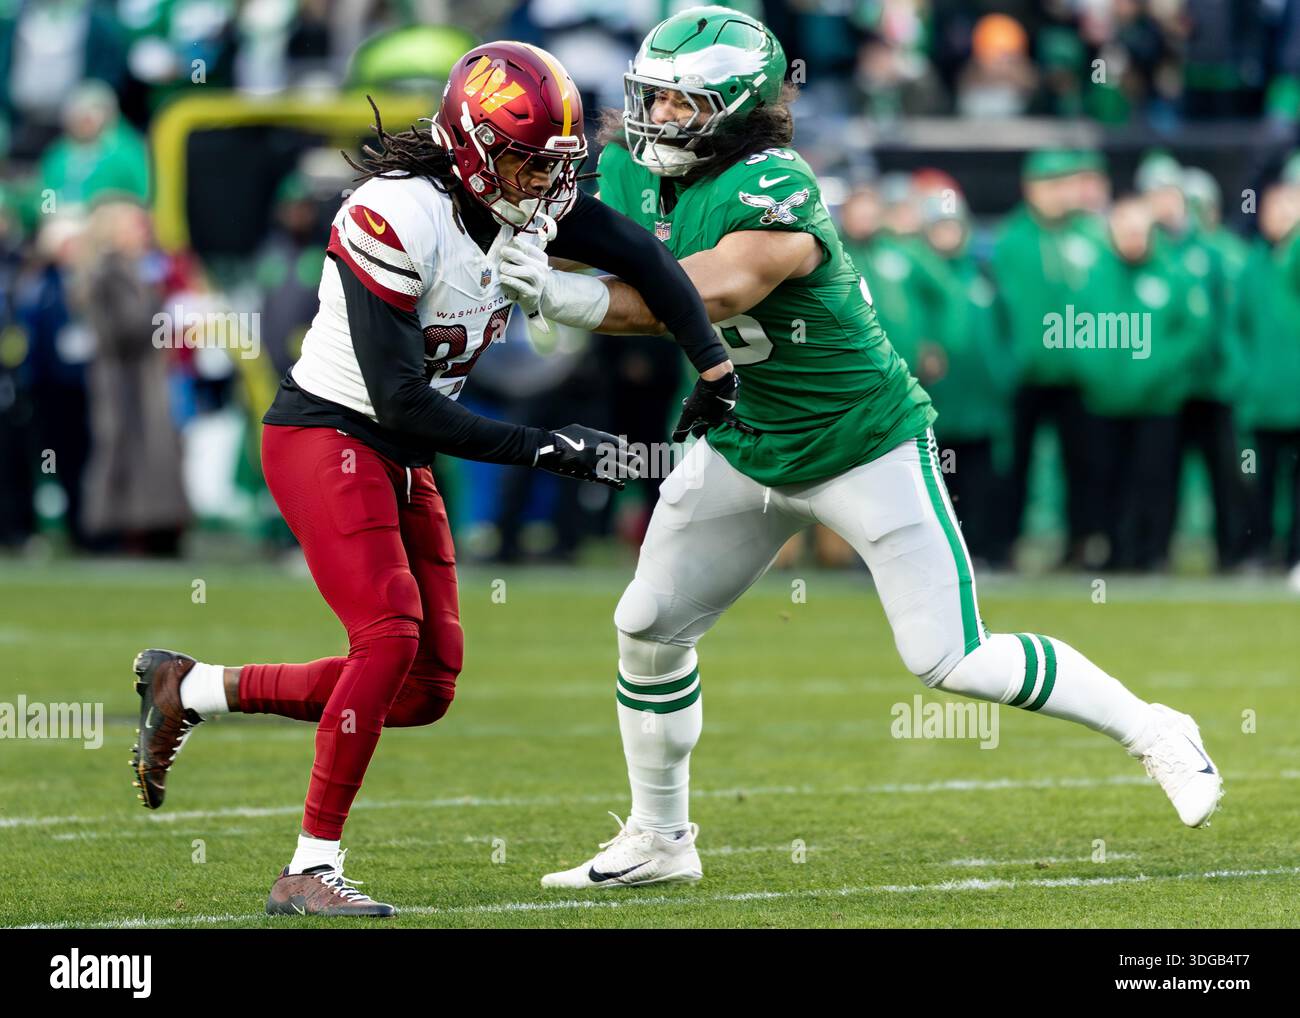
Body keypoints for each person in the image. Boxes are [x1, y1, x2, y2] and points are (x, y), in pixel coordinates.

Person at [494, 8, 1223, 891]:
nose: (657, 121)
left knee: (951, 658)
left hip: (859, 443)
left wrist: (563, 298)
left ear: (735, 110)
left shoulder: (778, 185)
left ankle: (1155, 729)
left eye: (683, 105)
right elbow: (563, 217)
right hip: (747, 437)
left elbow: (711, 293)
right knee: (647, 628)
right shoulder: (629, 170)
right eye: (653, 98)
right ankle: (660, 839)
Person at [128, 41, 738, 917]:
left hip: (401, 447)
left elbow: (646, 260)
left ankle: (187, 688)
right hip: (330, 432)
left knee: (424, 690)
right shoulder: (395, 212)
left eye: (554, 162)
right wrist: (544, 446)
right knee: (388, 637)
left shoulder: (532, 198)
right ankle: (310, 866)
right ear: (472, 145)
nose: (543, 182)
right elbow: (402, 400)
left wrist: (714, 369)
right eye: (526, 158)